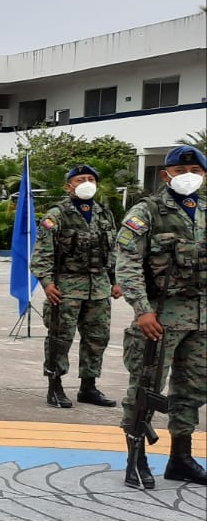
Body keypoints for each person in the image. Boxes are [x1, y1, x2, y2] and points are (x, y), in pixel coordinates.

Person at [115, 144, 206, 487]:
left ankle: (181, 458)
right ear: (166, 175)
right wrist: (142, 309)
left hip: (202, 319)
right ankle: (135, 458)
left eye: (195, 171)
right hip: (159, 317)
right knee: (145, 388)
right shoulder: (147, 212)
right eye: (181, 172)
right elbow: (127, 263)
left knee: (193, 391)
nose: (188, 177)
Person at [29, 164, 121, 409]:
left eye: (91, 178)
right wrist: (47, 284)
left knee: (97, 338)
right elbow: (41, 255)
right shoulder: (57, 215)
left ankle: (88, 387)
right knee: (60, 339)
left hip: (99, 288)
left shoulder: (104, 214)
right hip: (66, 288)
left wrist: (115, 280)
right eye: (80, 179)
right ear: (68, 185)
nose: (86, 183)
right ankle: (55, 385)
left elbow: (112, 250)